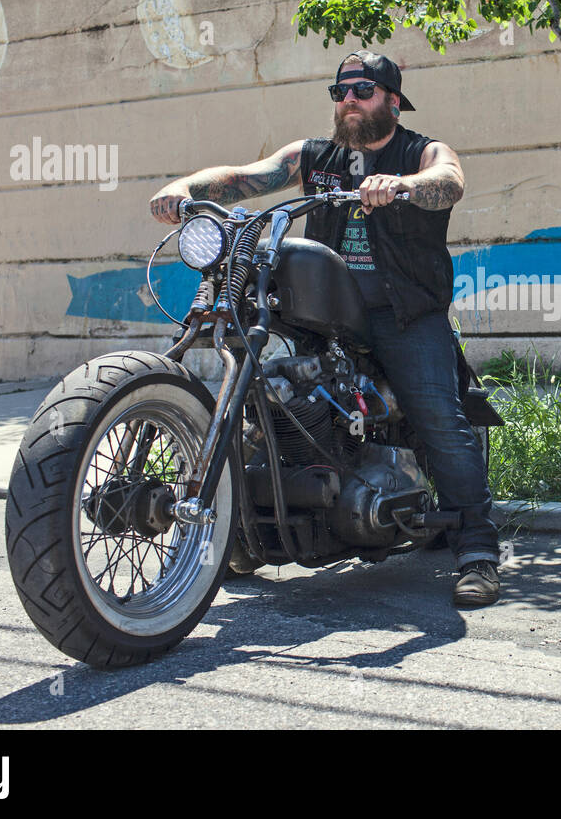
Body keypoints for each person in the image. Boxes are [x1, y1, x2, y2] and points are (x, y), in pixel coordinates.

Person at [149, 50, 502, 608]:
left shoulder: (419, 151)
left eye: (362, 91)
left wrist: (405, 186)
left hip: (405, 312)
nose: (349, 101)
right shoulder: (315, 156)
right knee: (268, 400)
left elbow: (449, 180)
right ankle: (241, 529)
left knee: (439, 417)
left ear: (391, 97)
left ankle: (478, 550)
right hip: (328, 314)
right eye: (340, 92)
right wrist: (187, 187)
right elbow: (247, 177)